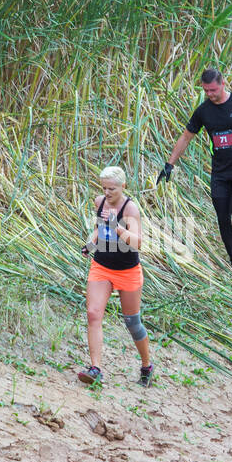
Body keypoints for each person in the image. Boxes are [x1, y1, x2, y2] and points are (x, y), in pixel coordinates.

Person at [158, 69, 232, 273]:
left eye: (213, 90)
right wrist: (170, 164)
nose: (209, 94)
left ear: (223, 83)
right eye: (206, 90)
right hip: (219, 173)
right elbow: (185, 137)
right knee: (222, 217)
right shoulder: (203, 111)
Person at [79, 166, 153, 387]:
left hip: (127, 271)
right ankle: (95, 369)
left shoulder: (131, 209)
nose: (108, 192)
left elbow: (137, 242)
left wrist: (117, 227)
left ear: (123, 186)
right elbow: (99, 229)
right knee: (93, 314)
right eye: (104, 188)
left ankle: (146, 365)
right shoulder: (99, 202)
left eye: (112, 188)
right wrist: (90, 245)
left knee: (133, 323)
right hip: (102, 266)